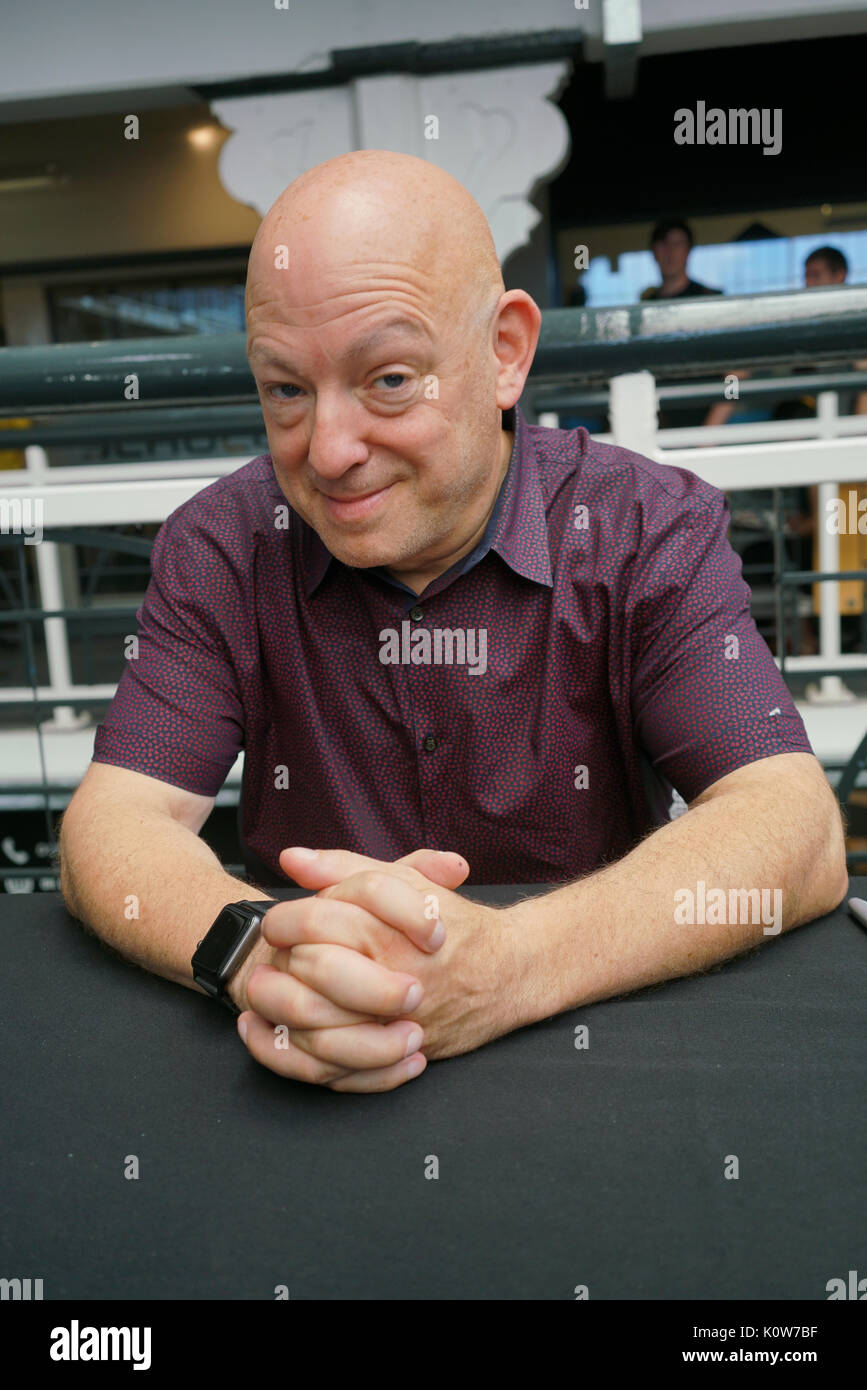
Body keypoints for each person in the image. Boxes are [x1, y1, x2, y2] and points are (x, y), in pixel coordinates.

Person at [58, 151, 847, 1094]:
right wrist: (256, 955)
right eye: (286, 391)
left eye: (389, 380)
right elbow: (113, 821)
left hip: (590, 1049)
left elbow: (796, 829)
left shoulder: (643, 528)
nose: (330, 452)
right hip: (301, 1045)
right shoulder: (223, 548)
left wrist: (507, 965)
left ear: (504, 352)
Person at [641, 218, 722, 300]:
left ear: (688, 250)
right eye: (664, 244)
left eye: (677, 244)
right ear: (654, 251)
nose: (670, 251)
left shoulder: (710, 299)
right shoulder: (647, 303)